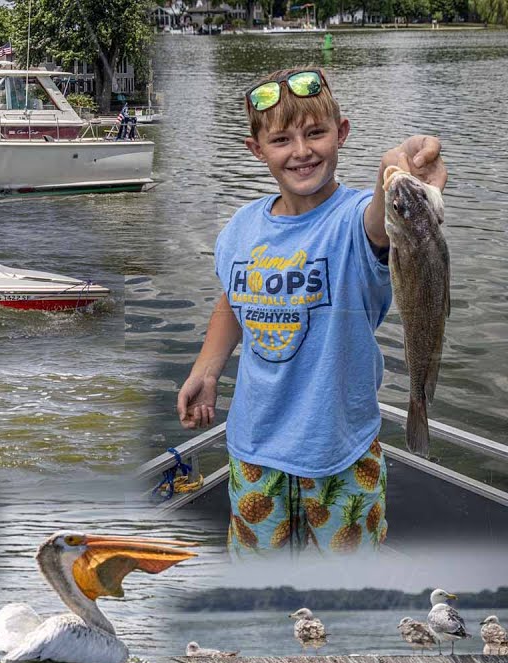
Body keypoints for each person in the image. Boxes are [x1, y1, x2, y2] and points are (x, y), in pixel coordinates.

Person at [175, 67, 447, 557]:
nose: (301, 151)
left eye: (315, 133)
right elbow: (234, 300)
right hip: (254, 450)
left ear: (341, 133)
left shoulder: (356, 220)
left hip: (342, 453)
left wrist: (398, 167)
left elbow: (381, 222)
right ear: (256, 149)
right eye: (281, 139)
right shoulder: (240, 228)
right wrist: (206, 370)